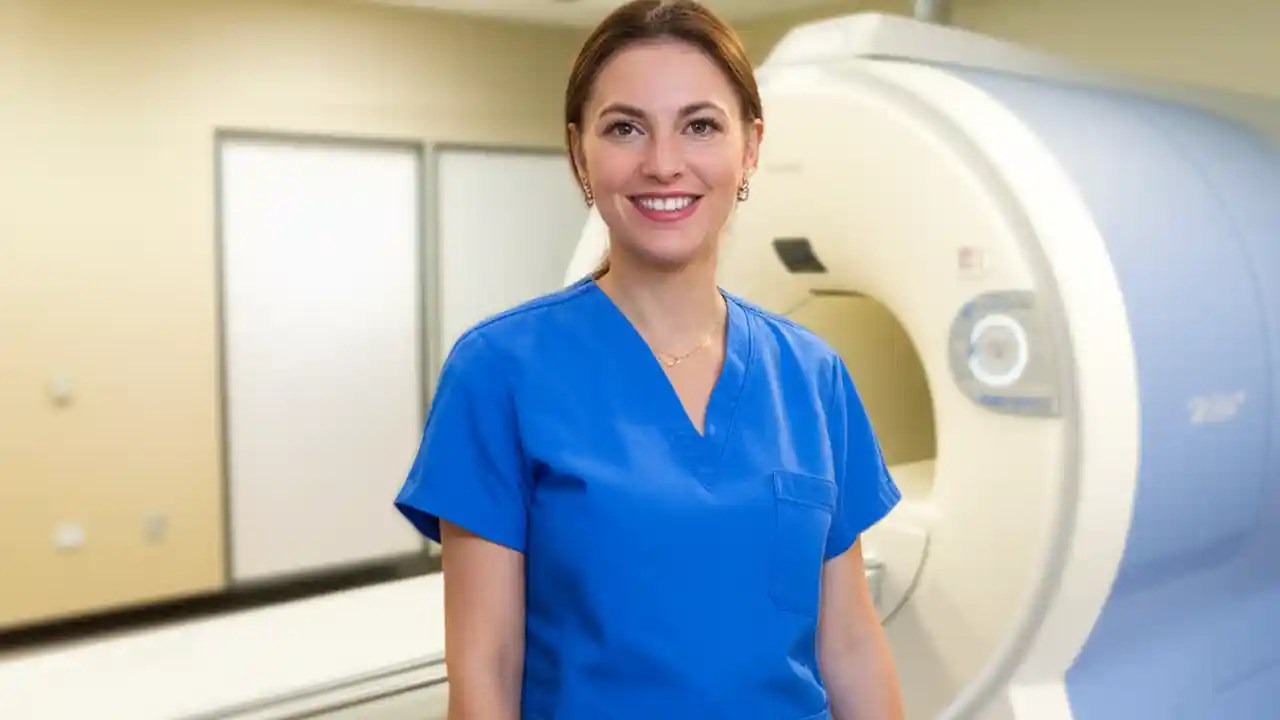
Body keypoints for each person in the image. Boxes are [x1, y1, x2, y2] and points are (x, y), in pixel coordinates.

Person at [394, 1, 905, 717]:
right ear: (579, 151)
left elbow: (849, 644)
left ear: (750, 146)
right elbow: (486, 667)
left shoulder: (812, 378)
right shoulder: (500, 372)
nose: (664, 164)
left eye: (700, 126)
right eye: (625, 128)